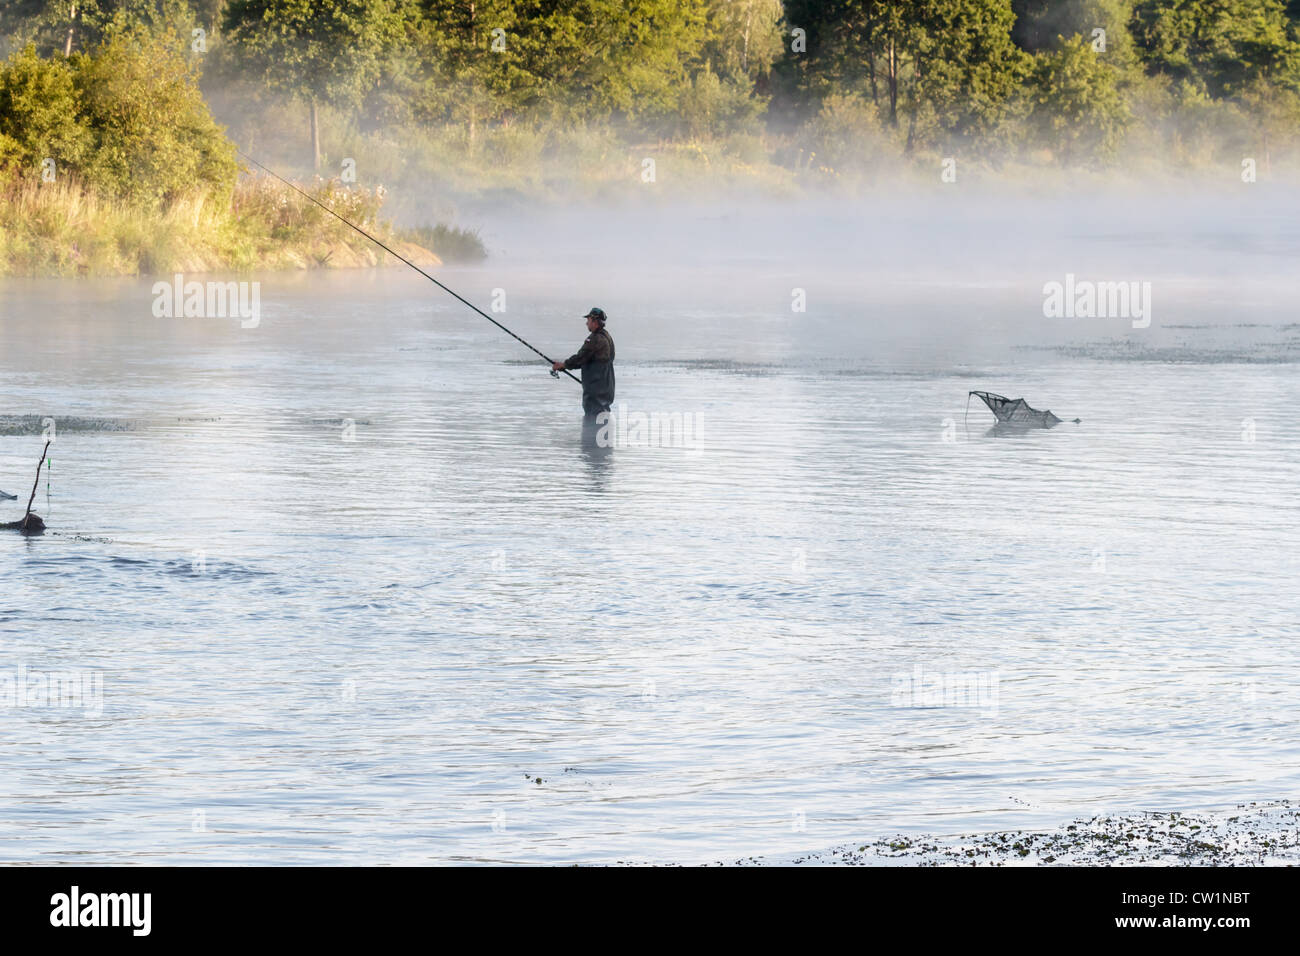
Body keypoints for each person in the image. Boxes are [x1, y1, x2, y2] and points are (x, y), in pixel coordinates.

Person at [553, 307, 615, 420]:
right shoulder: (607, 336)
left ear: (595, 322)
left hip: (595, 391)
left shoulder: (595, 339)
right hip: (606, 388)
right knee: (603, 419)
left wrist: (563, 365)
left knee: (592, 420)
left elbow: (580, 358)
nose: (587, 323)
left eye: (589, 320)